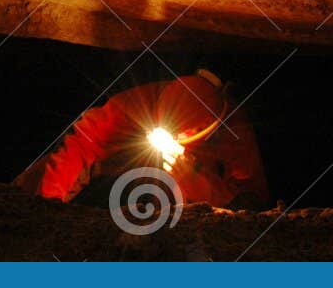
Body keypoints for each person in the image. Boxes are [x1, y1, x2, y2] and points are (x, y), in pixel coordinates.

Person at [14, 69, 269, 208]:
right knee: (45, 177)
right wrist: (45, 203)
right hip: (132, 166)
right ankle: (19, 200)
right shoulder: (140, 103)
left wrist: (198, 181)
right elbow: (81, 143)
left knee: (181, 189)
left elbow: (251, 201)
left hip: (198, 182)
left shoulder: (234, 132)